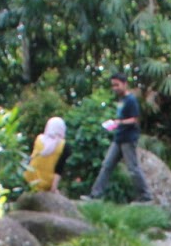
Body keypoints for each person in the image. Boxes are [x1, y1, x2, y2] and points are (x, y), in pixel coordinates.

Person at [85, 73, 152, 203]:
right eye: (113, 85)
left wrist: (119, 122)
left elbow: (134, 119)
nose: (115, 88)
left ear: (125, 84)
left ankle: (145, 195)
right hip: (119, 137)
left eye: (117, 85)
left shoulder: (131, 100)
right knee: (107, 165)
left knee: (132, 168)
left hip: (128, 139)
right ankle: (95, 194)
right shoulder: (121, 100)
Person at [23, 117, 70, 193]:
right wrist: (53, 189)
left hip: (29, 179)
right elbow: (59, 169)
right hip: (45, 183)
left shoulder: (38, 139)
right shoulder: (64, 146)